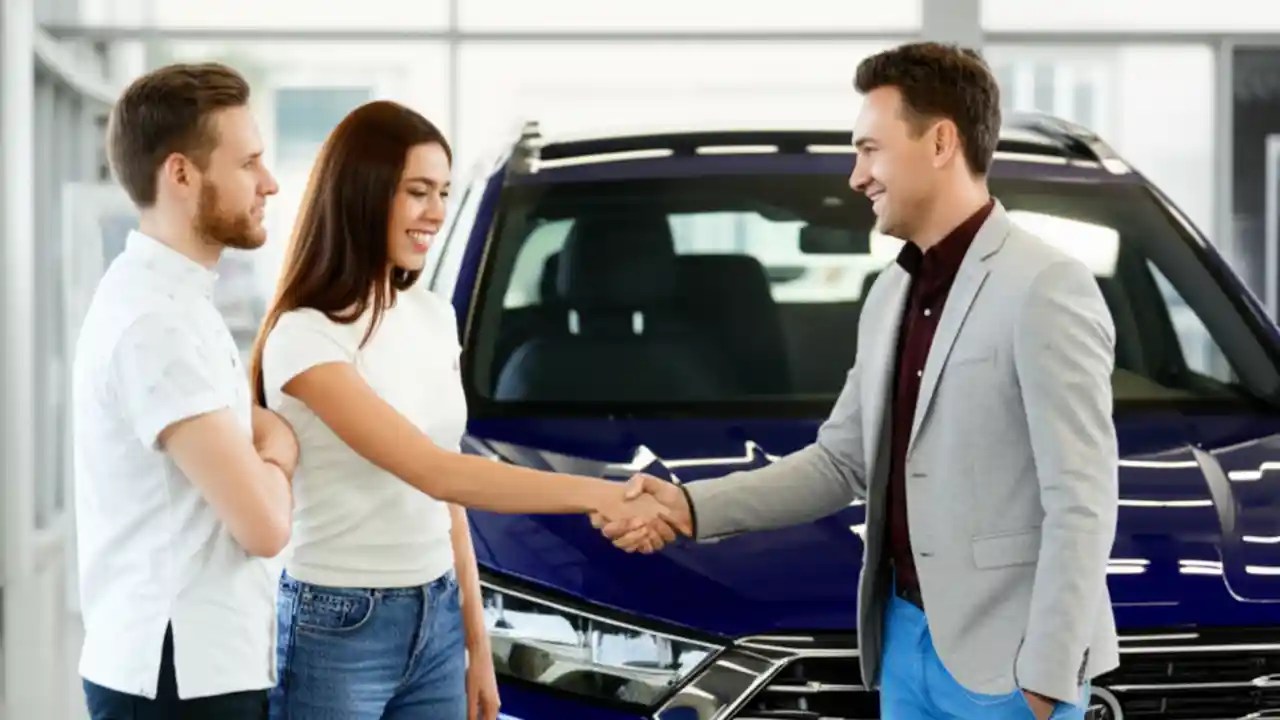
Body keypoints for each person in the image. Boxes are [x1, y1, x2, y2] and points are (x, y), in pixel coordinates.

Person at [598, 42, 1120, 720]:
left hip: (1006, 667)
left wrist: (1048, 676)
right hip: (903, 647)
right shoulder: (890, 293)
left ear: (940, 142)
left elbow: (1082, 494)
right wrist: (687, 506)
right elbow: (839, 461)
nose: (857, 176)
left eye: (870, 150)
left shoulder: (1046, 285)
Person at [250, 100, 681, 720]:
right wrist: (601, 494)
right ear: (362, 195)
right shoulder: (305, 335)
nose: (436, 213)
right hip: (337, 626)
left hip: (437, 619)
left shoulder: (431, 316)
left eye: (444, 192)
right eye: (418, 192)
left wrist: (477, 646)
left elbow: (445, 500)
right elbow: (435, 471)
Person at [73, 62, 296, 719]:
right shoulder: (156, 322)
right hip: (179, 677)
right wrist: (278, 451)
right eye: (249, 163)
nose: (270, 183)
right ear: (180, 174)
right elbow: (263, 524)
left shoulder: (176, 299)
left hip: (196, 666)